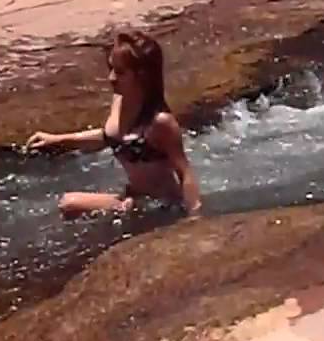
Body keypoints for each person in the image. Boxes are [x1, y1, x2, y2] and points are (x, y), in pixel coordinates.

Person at [26, 31, 201, 217]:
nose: (111, 77)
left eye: (120, 72)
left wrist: (194, 218)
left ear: (142, 75)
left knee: (70, 204)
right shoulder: (119, 101)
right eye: (111, 68)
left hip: (161, 206)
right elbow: (107, 137)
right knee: (68, 206)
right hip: (133, 198)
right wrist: (57, 140)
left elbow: (185, 173)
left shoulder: (160, 122)